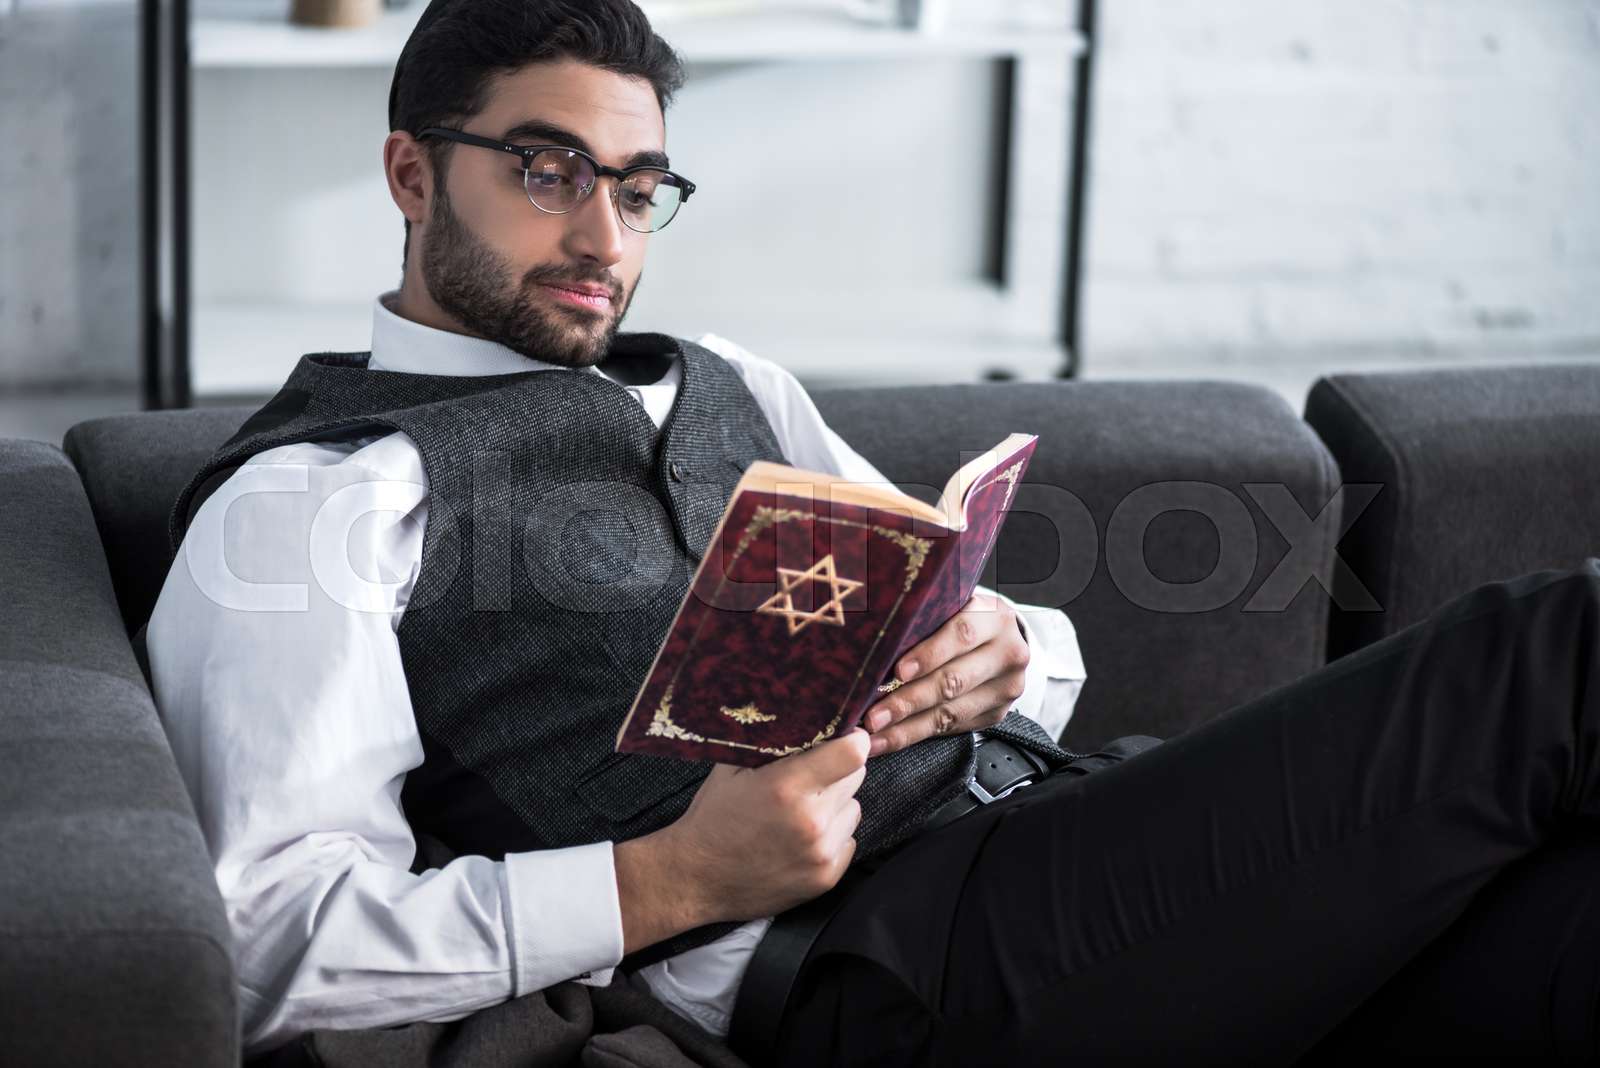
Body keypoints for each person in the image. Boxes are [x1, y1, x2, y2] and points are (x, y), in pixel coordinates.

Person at [146, 0, 1600, 1064]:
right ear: (410, 176)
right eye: (547, 171)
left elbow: (964, 623)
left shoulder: (732, 381)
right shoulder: (316, 501)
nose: (606, 238)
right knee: (1553, 653)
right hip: (892, 969)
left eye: (641, 189)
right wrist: (666, 882)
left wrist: (1006, 649)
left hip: (1075, 836)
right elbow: (261, 940)